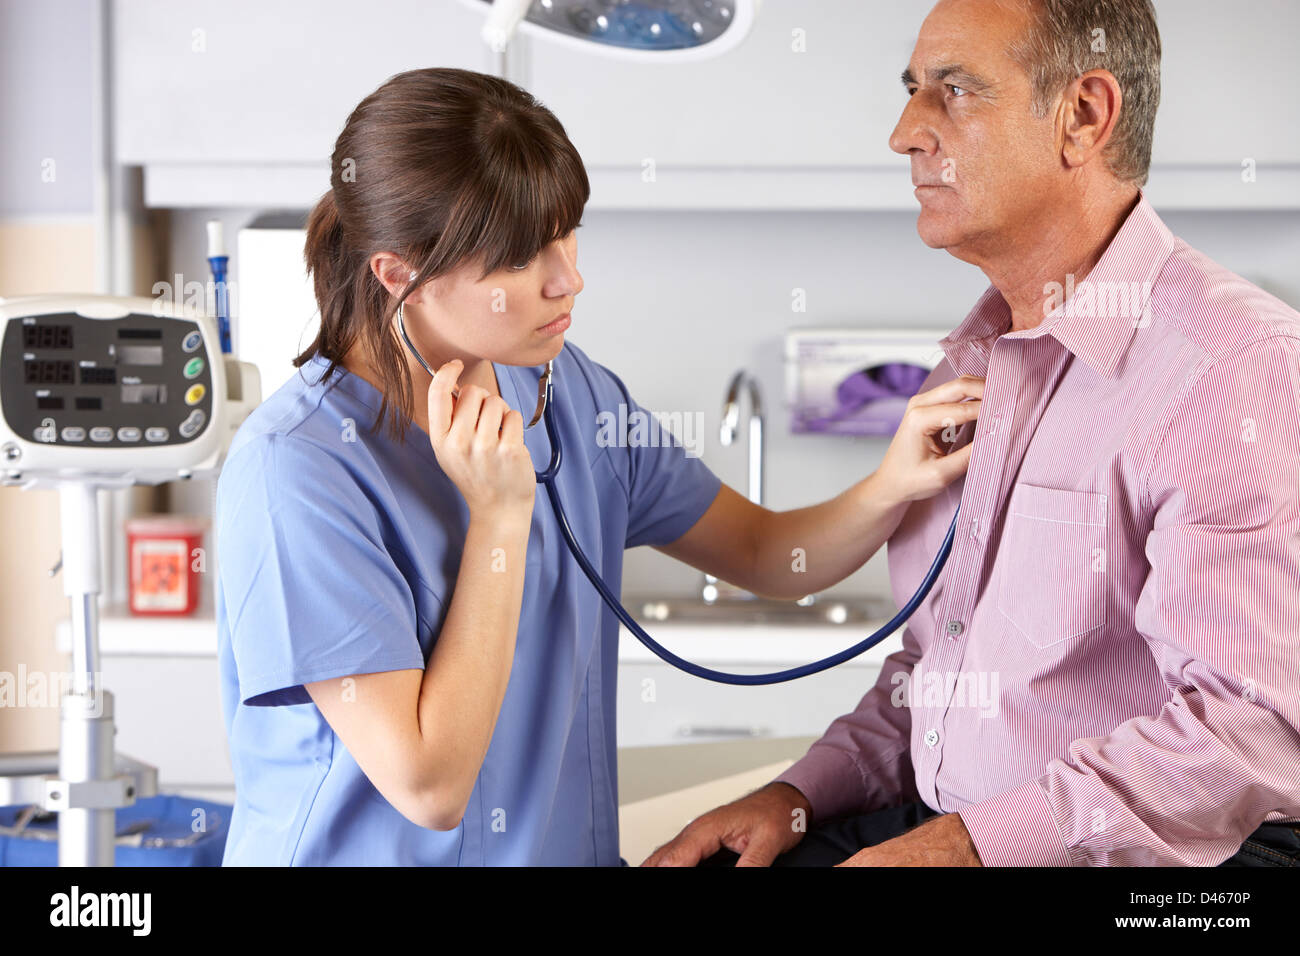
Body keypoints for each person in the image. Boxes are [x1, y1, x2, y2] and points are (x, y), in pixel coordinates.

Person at [213, 67, 983, 865]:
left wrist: (894, 482)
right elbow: (430, 785)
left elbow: (767, 555)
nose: (566, 277)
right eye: (518, 259)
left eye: (565, 232)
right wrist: (500, 517)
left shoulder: (567, 389)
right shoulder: (296, 472)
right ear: (398, 274)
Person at [646, 0, 1300, 868]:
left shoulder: (1230, 365)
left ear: (1083, 117)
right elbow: (938, 680)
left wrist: (964, 850)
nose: (905, 133)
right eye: (914, 90)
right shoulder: (970, 374)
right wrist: (799, 797)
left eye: (953, 91)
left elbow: (1246, 730)